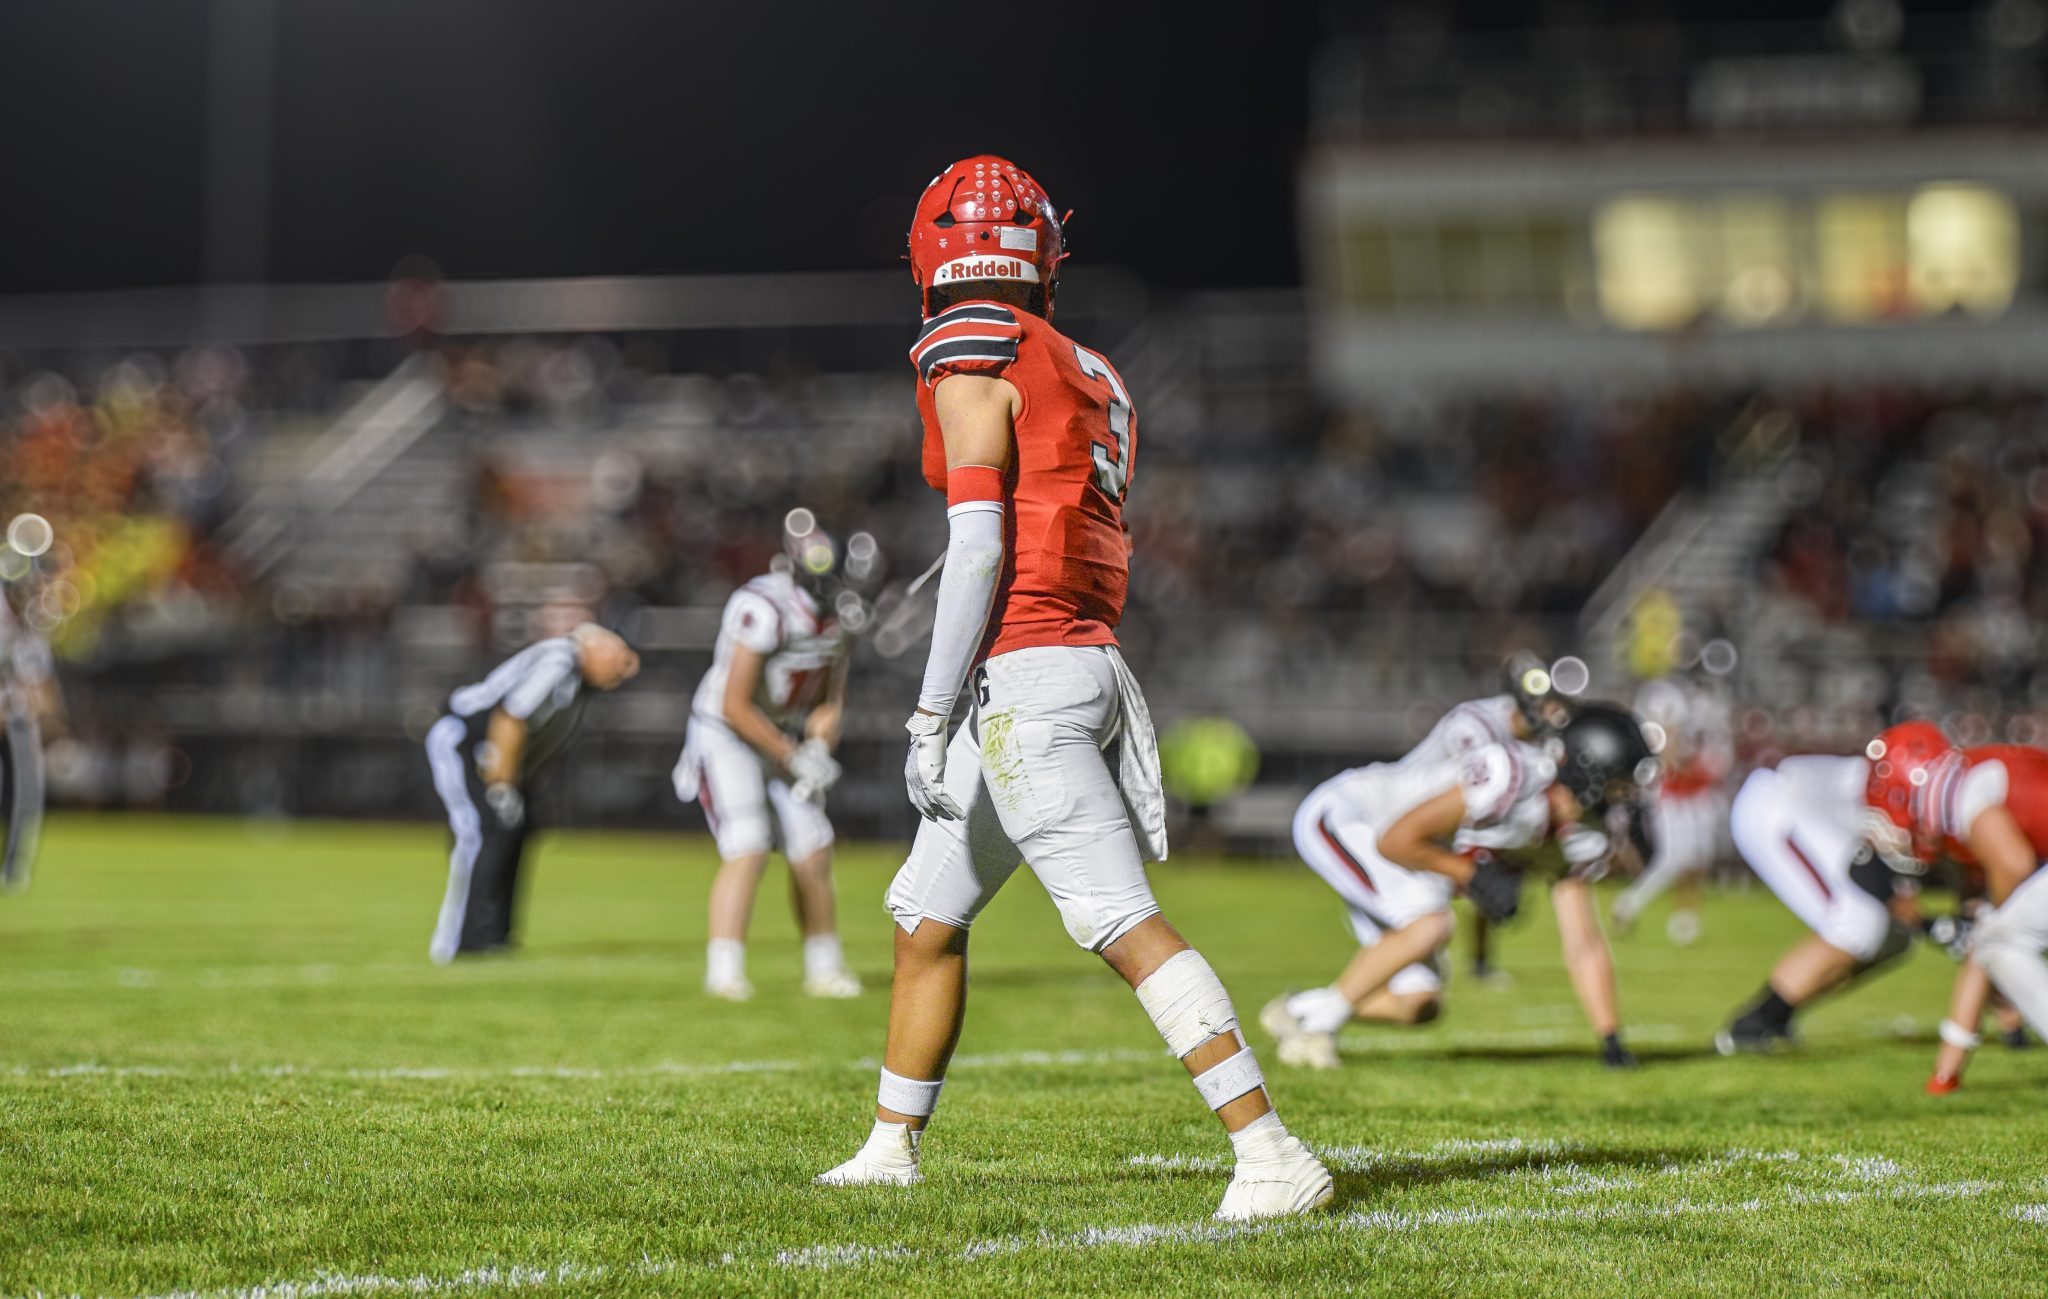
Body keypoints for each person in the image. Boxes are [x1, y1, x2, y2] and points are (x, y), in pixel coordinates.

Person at [815, 155, 1331, 1221]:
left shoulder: (967, 348)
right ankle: (888, 1147)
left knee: (1117, 921)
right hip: (1075, 658)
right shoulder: (1088, 366)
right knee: (924, 918)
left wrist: (925, 708)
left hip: (1027, 679)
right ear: (1043, 251)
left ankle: (1271, 1152)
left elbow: (977, 542)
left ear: (930, 250)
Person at [1262, 703, 1656, 1072]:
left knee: (1419, 1004)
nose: (1624, 798)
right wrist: (1472, 876)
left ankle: (1297, 1011)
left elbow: (1582, 941)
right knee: (1431, 925)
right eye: (1620, 784)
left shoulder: (1585, 835)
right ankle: (1315, 1033)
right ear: (1591, 770)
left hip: (1405, 860)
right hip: (1352, 816)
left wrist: (1611, 1038)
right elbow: (1397, 840)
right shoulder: (1511, 777)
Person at [674, 510, 861, 1000]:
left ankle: (824, 967)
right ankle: (725, 968)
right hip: (727, 731)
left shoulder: (844, 613)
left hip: (783, 732)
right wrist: (792, 754)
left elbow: (830, 699)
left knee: (813, 847)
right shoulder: (763, 606)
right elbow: (733, 703)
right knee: (749, 843)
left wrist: (819, 746)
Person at [1713, 723, 1938, 1054]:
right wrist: (1928, 921)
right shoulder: (1878, 786)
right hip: (1775, 808)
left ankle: (1776, 1016)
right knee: (1861, 924)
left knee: (1895, 939)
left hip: (1804, 817)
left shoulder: (1926, 793)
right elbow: (1868, 872)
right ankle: (1752, 1025)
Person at [424, 623, 639, 963]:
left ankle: (493, 935)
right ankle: (457, 941)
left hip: (503, 760)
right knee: (479, 832)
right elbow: (510, 718)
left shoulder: (581, 685)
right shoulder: (561, 660)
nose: (625, 669)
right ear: (593, 648)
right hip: (465, 740)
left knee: (513, 831)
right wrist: (503, 787)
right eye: (618, 658)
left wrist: (526, 790)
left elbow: (547, 742)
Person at [1857, 735, 2048, 1092]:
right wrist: (1946, 1072)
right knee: (1993, 938)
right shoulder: (1971, 773)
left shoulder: (1953, 790)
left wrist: (1991, 915)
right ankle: (1946, 1076)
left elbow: (2014, 863)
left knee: (1999, 938)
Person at [1611, 670, 1734, 945]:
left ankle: (1685, 921)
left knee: (1699, 857)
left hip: (1696, 788)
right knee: (1673, 859)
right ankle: (1629, 901)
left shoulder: (1697, 697)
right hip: (1672, 790)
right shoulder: (1663, 695)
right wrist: (1681, 763)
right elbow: (1666, 742)